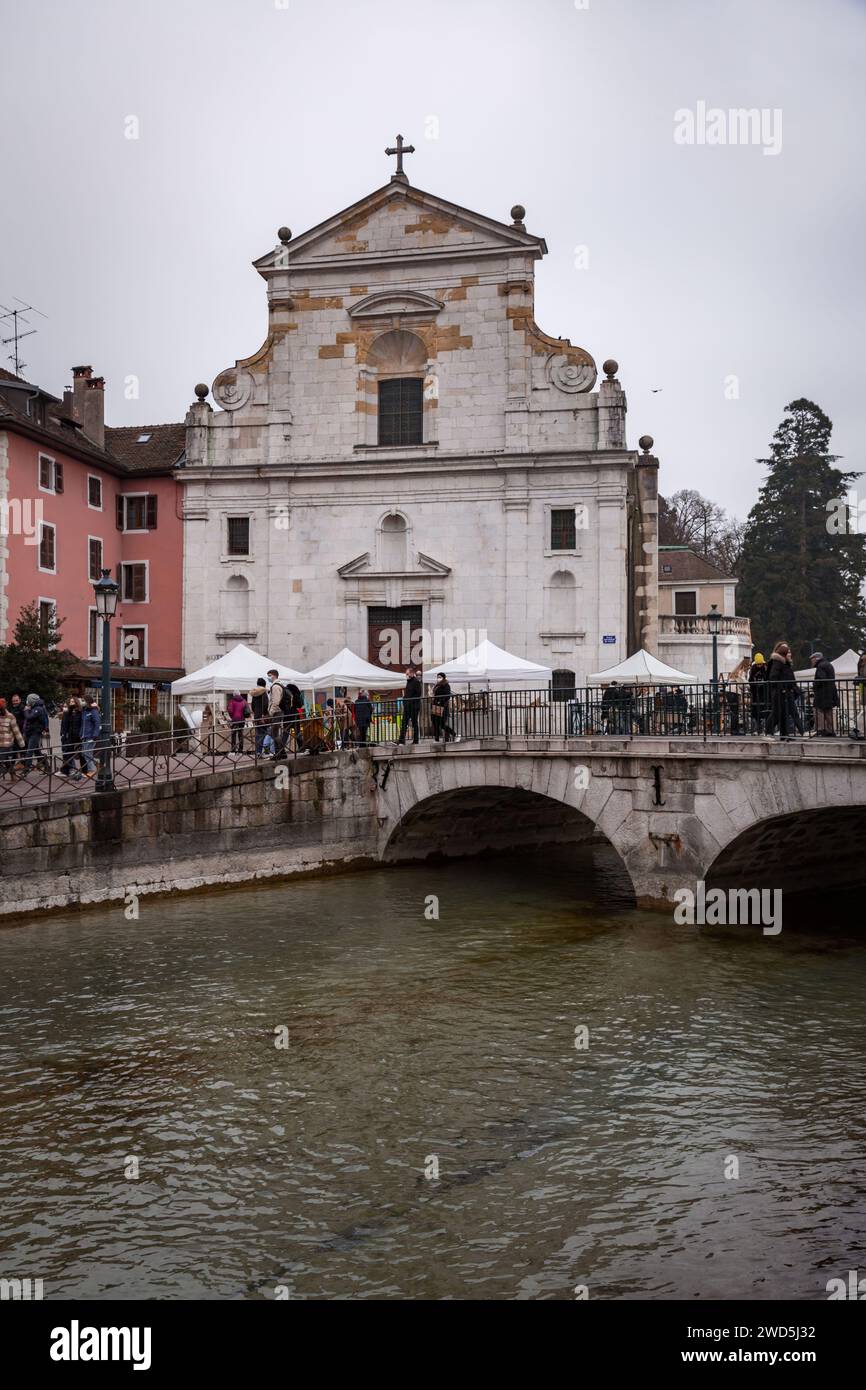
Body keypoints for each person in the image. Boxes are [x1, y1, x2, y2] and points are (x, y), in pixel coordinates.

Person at [766, 643, 797, 740]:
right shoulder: (776, 662)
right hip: (779, 692)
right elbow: (773, 677)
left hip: (783, 691)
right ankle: (768, 733)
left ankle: (784, 735)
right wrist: (782, 687)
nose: (789, 653)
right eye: (787, 651)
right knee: (776, 713)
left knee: (784, 714)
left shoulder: (784, 663)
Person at [810, 651, 838, 736]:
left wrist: (814, 685)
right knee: (828, 711)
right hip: (830, 692)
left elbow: (821, 679)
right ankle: (830, 730)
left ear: (816, 658)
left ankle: (821, 730)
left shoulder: (820, 666)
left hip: (822, 693)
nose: (812, 661)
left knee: (818, 710)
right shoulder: (828, 665)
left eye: (812, 659)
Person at [21, 692, 50, 772]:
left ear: (31, 700)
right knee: (37, 751)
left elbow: (29, 717)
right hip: (31, 732)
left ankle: (26, 770)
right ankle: (47, 767)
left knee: (29, 751)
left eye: (28, 700)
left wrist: (26, 711)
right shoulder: (34, 708)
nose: (27, 702)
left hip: (35, 733)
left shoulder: (38, 709)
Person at [59, 697, 84, 779]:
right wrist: (63, 734)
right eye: (70, 702)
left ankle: (86, 770)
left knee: (82, 754)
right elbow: (64, 725)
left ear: (76, 702)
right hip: (69, 736)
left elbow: (82, 724)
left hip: (78, 736)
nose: (72, 703)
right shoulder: (67, 713)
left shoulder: (80, 712)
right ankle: (69, 769)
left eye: (73, 701)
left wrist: (81, 734)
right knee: (68, 752)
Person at [397, 665, 422, 745]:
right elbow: (407, 694)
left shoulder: (416, 682)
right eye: (406, 674)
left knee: (414, 723)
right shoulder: (408, 682)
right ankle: (401, 740)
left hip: (414, 707)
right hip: (407, 706)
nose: (406, 676)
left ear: (411, 673)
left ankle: (416, 740)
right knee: (404, 723)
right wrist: (405, 700)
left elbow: (418, 694)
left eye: (407, 674)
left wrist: (409, 700)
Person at [0, 697, 25, 778]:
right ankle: (13, 776)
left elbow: (16, 731)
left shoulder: (10, 716)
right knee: (6, 761)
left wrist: (22, 744)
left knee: (1, 759)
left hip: (7, 743)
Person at [431, 673, 457, 743]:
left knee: (441, 724)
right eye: (437, 677)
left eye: (440, 677)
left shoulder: (446, 685)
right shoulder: (437, 685)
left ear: (443, 677)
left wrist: (440, 701)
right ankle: (436, 739)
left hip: (442, 706)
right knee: (435, 722)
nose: (438, 678)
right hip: (436, 706)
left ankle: (454, 733)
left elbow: (447, 696)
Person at [267, 669, 287, 757]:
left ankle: (279, 753)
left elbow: (275, 701)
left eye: (269, 675)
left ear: (274, 675)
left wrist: (271, 712)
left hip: (277, 712)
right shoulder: (280, 685)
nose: (268, 678)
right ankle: (282, 752)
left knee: (274, 733)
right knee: (274, 733)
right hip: (279, 712)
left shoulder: (275, 687)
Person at [748, 653, 769, 734]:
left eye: (761, 664)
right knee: (755, 711)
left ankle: (763, 728)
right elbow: (750, 680)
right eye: (758, 664)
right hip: (755, 693)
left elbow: (766, 678)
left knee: (763, 710)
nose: (760, 665)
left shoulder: (764, 668)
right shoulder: (753, 669)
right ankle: (756, 729)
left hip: (763, 692)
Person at [80, 697, 101, 778]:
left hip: (91, 736)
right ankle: (96, 762)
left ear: (88, 702)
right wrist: (81, 734)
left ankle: (92, 770)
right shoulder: (85, 711)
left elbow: (97, 723)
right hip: (84, 736)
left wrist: (95, 735)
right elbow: (83, 724)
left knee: (87, 754)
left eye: (83, 700)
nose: (82, 702)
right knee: (84, 753)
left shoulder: (94, 711)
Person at [227, 689, 251, 754]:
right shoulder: (244, 701)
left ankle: (233, 750)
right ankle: (240, 750)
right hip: (242, 720)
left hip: (234, 720)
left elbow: (230, 710)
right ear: (240, 694)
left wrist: (232, 717)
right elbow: (247, 710)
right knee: (241, 735)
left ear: (234, 694)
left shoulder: (232, 701)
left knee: (233, 735)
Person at [250, 678, 269, 754]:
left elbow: (253, 705)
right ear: (264, 684)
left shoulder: (254, 693)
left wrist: (256, 713)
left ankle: (258, 751)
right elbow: (266, 704)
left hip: (257, 716)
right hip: (263, 716)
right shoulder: (264, 692)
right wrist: (265, 713)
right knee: (264, 734)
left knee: (258, 734)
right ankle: (263, 751)